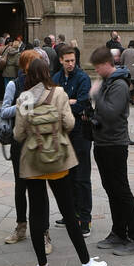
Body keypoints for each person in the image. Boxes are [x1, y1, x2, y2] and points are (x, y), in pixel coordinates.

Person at [14, 57, 106, 266]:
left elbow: (17, 134)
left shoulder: (24, 98)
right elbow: (70, 123)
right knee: (68, 211)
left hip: (34, 162)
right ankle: (85, 263)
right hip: (57, 159)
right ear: (47, 72)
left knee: (36, 213)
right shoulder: (59, 93)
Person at [90, 46, 134, 255]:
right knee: (111, 190)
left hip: (115, 144)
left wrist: (96, 96)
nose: (96, 72)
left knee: (121, 190)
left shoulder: (119, 84)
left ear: (105, 64)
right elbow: (102, 113)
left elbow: (112, 113)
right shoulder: (107, 83)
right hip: (102, 142)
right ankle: (118, 232)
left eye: (97, 67)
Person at [0, 47, 48, 253]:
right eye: (33, 64)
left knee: (40, 188)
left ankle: (44, 233)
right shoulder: (14, 84)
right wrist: (23, 105)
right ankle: (21, 227)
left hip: (40, 141)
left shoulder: (45, 86)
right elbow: (4, 111)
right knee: (21, 187)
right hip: (20, 141)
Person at [53, 44, 93, 235]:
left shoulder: (83, 77)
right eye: (67, 61)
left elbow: (82, 103)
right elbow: (51, 102)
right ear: (61, 60)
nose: (70, 64)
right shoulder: (57, 77)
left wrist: (65, 102)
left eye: (73, 60)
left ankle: (85, 219)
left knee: (82, 177)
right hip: (63, 133)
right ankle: (71, 214)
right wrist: (70, 101)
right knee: (67, 176)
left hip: (81, 134)